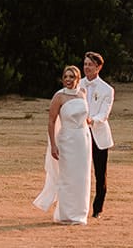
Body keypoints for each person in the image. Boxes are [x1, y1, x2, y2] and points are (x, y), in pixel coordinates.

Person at [32, 64, 92, 224]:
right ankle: (66, 214)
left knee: (82, 177)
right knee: (68, 176)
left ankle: (80, 213)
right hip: (67, 139)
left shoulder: (83, 93)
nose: (68, 80)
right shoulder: (59, 97)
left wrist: (88, 122)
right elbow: (51, 122)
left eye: (71, 77)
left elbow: (85, 114)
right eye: (65, 77)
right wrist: (53, 144)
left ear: (78, 78)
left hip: (83, 139)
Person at [82, 51, 114, 218]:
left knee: (100, 174)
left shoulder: (107, 89)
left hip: (98, 134)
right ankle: (80, 207)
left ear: (98, 67)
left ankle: (97, 209)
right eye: (85, 64)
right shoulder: (77, 85)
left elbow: (104, 113)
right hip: (79, 134)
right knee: (80, 171)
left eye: (90, 65)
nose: (87, 67)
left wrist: (91, 120)